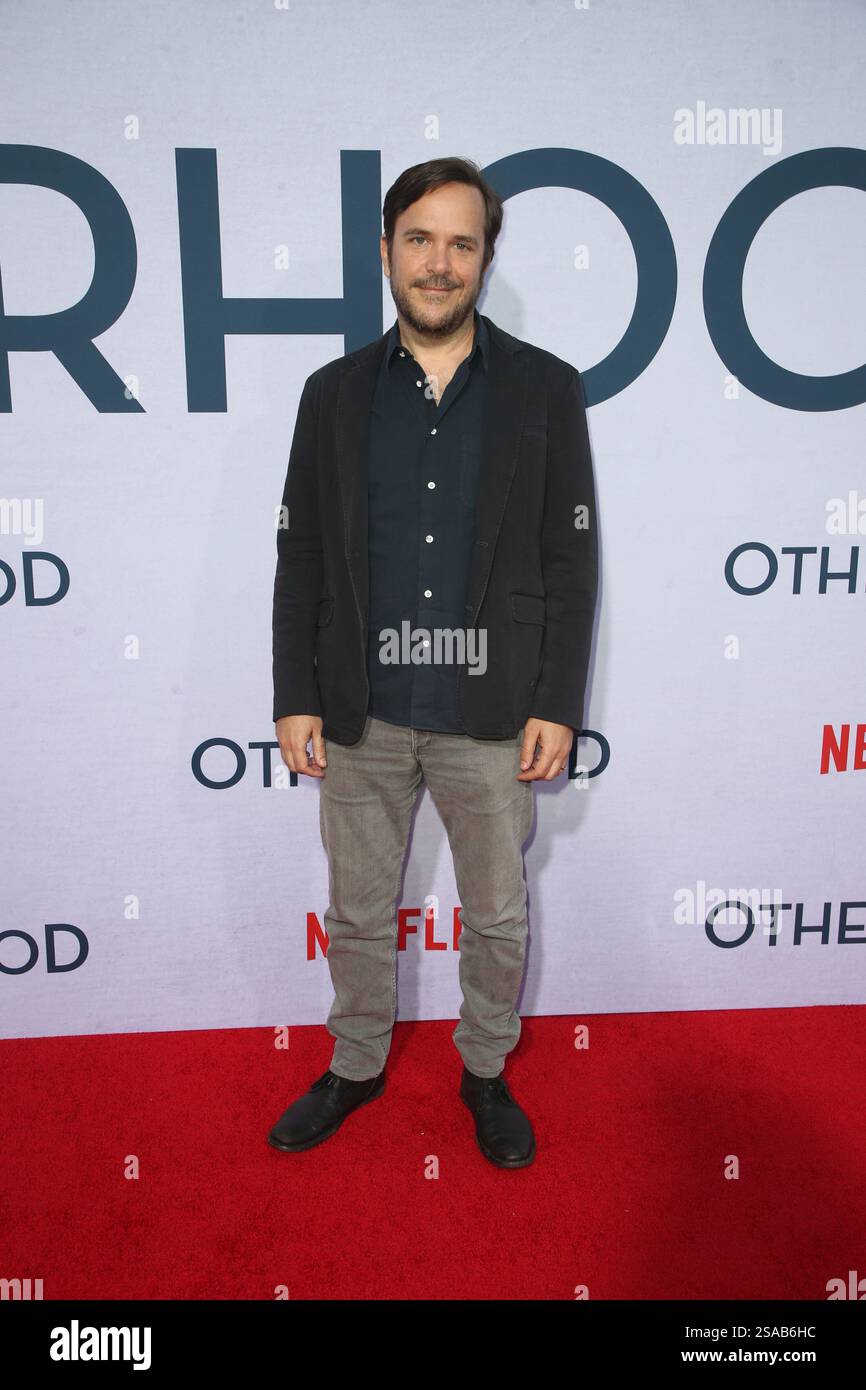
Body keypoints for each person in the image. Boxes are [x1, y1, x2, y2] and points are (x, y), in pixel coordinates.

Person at [268, 156, 599, 1168]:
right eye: (420, 239)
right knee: (358, 911)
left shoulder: (545, 388)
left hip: (493, 711)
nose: (439, 262)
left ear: (485, 258)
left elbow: (569, 557)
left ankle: (485, 1070)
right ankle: (355, 1063)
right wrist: (293, 692)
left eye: (461, 243)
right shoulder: (331, 394)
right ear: (386, 251)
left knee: (495, 914)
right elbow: (301, 552)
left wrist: (557, 700)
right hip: (359, 706)